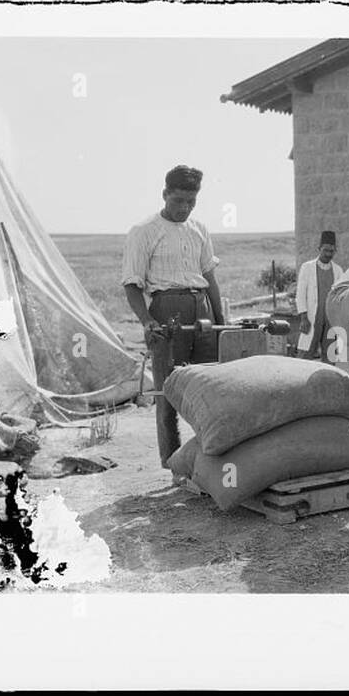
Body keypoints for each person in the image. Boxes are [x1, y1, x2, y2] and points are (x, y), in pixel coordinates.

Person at [121, 164, 225, 468]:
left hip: (201, 308)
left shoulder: (200, 229)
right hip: (167, 311)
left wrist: (220, 323)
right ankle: (172, 463)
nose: (185, 208)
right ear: (165, 194)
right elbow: (131, 284)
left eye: (191, 202)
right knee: (169, 390)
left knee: (208, 383)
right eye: (179, 200)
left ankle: (208, 456)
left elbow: (210, 277)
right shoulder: (143, 231)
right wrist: (147, 321)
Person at [295, 231, 344, 362]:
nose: (328, 254)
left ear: (335, 251)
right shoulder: (307, 268)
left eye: (332, 251)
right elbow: (300, 294)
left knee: (330, 355)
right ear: (319, 249)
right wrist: (304, 318)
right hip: (312, 318)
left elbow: (340, 296)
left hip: (330, 320)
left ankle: (328, 381)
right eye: (325, 250)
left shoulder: (338, 270)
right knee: (305, 354)